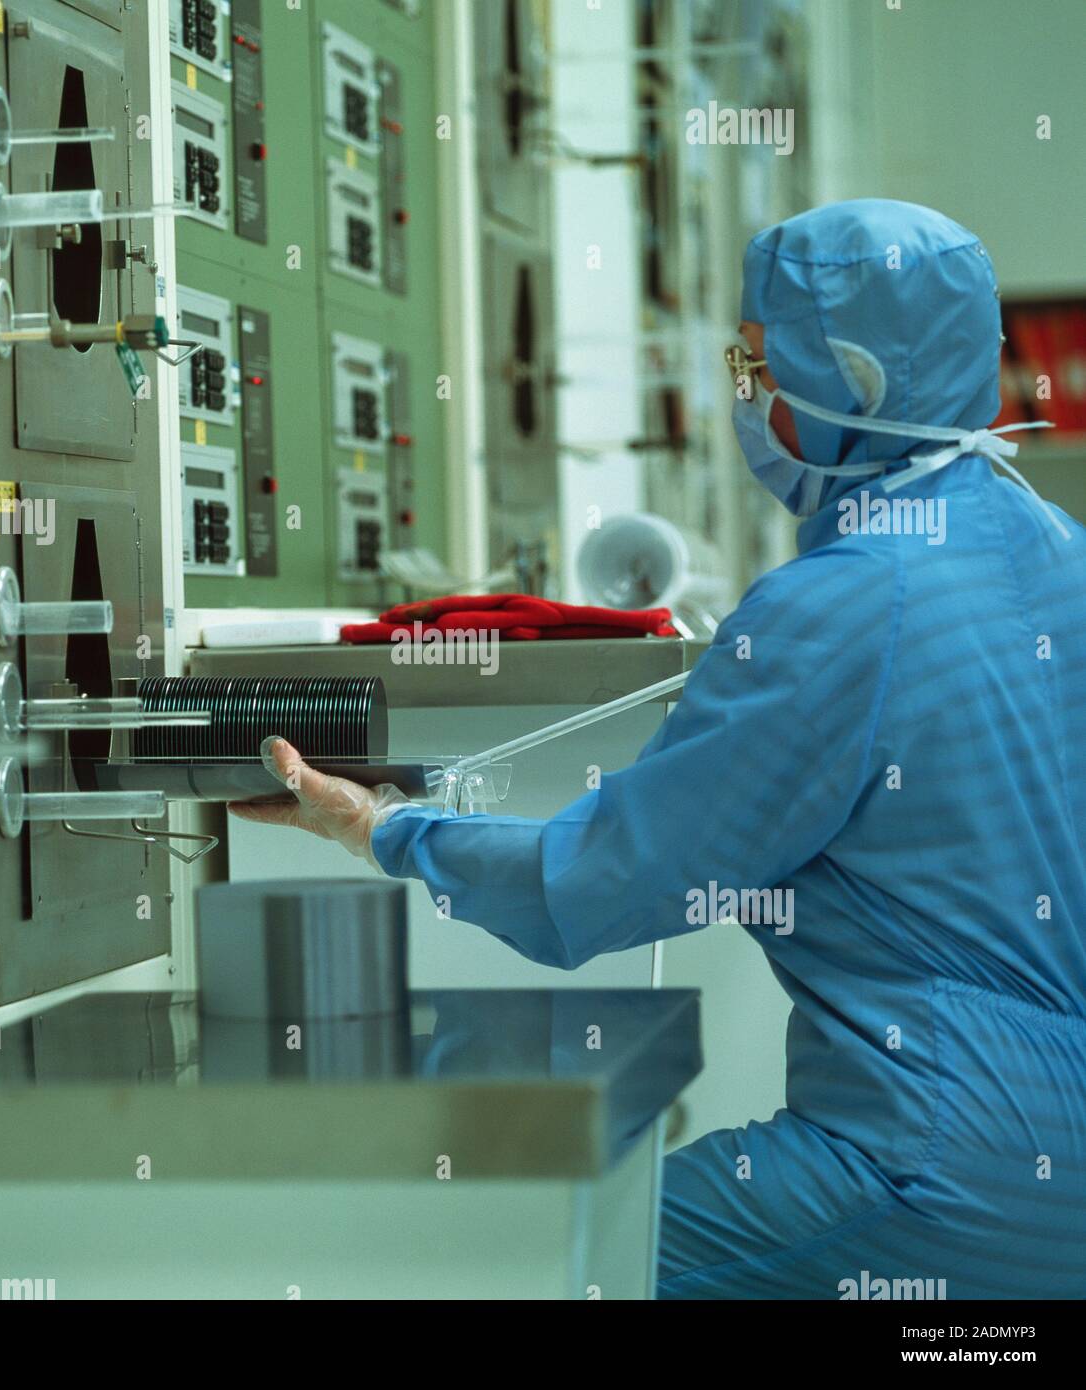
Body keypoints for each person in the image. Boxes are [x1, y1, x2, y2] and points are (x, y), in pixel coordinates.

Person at [230, 200, 1086, 1299]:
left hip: (934, 1160)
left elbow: (603, 885)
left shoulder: (840, 605)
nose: (747, 392)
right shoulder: (1057, 552)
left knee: (535, 1265)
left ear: (855, 383)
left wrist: (382, 827)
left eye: (758, 363)